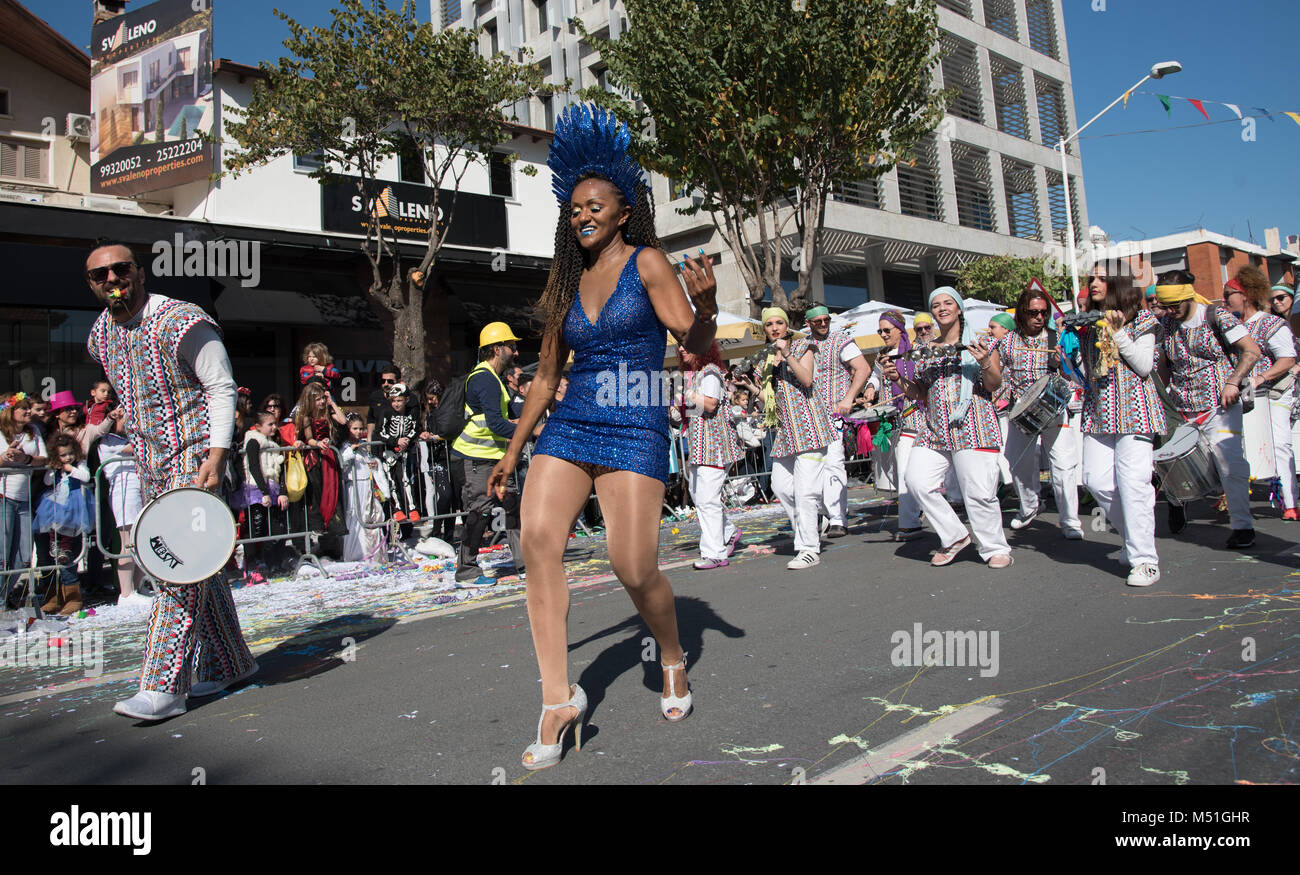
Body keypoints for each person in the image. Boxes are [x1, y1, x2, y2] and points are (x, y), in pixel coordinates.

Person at [487, 104, 717, 770]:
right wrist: (512, 448)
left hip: (635, 418)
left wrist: (704, 303)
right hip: (572, 419)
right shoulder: (564, 279)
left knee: (632, 565)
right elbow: (546, 373)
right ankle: (557, 698)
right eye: (575, 207)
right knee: (536, 538)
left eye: (596, 205)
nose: (583, 215)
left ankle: (672, 657)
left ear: (622, 212)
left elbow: (693, 342)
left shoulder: (647, 263)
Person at [85, 240, 257, 721]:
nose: (112, 280)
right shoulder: (102, 334)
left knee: (176, 568)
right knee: (200, 566)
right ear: (92, 284)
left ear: (139, 272)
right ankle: (232, 662)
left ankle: (163, 685)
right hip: (149, 464)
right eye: (101, 275)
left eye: (121, 269)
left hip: (195, 460)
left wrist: (218, 454)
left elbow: (220, 384)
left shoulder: (180, 320)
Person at [882, 287, 1013, 568]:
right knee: (917, 480)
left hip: (973, 423)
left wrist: (984, 362)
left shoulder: (981, 343)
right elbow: (920, 394)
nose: (942, 308)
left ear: (959, 308)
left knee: (978, 493)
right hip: (935, 428)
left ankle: (994, 547)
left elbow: (993, 384)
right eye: (936, 304)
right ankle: (954, 536)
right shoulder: (924, 351)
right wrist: (898, 379)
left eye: (948, 303)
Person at [1153, 270, 1261, 548]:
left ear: (1187, 297)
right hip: (1182, 406)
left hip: (1219, 406)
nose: (1168, 311)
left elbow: (1251, 351)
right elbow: (1165, 364)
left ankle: (1242, 526)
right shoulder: (1166, 324)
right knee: (1173, 462)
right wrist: (1159, 396)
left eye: (1173, 305)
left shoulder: (1217, 316)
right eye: (1164, 306)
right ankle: (1177, 503)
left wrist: (1233, 382)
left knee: (1229, 464)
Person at [1076, 265, 1166, 586]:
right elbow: (1084, 371)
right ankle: (1134, 540)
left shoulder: (1143, 320)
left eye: (1101, 279)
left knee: (1133, 485)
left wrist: (1118, 332)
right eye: (1092, 279)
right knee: (1095, 480)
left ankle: (1145, 560)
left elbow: (1143, 366)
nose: (1094, 284)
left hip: (1134, 410)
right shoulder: (1089, 323)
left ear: (1118, 283)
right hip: (1100, 411)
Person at [996, 288, 1083, 539]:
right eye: (1033, 312)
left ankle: (1070, 521)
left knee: (1064, 465)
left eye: (1044, 313)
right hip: (1021, 412)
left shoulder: (1058, 338)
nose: (1039, 317)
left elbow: (1071, 376)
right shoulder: (1007, 341)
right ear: (1022, 312)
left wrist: (1065, 361)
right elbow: (998, 374)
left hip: (1054, 409)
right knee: (1016, 461)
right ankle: (1030, 506)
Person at [756, 307, 833, 570]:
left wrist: (787, 354)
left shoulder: (803, 346)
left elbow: (807, 379)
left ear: (787, 326)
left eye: (779, 323)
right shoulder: (764, 358)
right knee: (781, 487)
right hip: (786, 433)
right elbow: (767, 401)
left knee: (805, 492)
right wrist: (751, 386)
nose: (775, 327)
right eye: (769, 324)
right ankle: (818, 519)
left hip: (810, 428)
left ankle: (809, 548)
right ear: (764, 329)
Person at [450, 322, 523, 583]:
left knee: (512, 507)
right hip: (475, 457)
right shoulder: (484, 379)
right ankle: (466, 571)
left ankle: (524, 564)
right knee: (480, 511)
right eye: (511, 346)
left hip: (496, 457)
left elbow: (510, 418)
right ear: (496, 348)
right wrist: (530, 431)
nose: (515, 352)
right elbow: (496, 424)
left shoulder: (496, 380)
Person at [1225, 268, 1297, 519]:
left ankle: (1290, 501)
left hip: (1275, 393)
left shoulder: (1271, 323)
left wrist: (1260, 378)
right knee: (1235, 446)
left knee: (1279, 444)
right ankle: (1233, 496)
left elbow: (1287, 359)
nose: (1225, 300)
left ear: (1245, 295)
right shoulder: (1231, 325)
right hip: (1244, 395)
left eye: (1229, 294)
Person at [804, 305, 870, 538]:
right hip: (810, 415)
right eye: (818, 321)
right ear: (808, 322)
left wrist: (849, 398)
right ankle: (820, 514)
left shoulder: (841, 340)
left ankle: (837, 518)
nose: (823, 324)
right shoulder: (803, 343)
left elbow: (863, 368)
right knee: (812, 469)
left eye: (826, 320)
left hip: (834, 415)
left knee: (833, 463)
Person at [680, 341, 743, 569]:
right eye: (679, 346)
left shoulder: (710, 372)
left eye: (686, 345)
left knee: (707, 499)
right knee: (699, 496)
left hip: (714, 446)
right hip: (700, 447)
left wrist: (686, 395)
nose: (681, 349)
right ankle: (728, 531)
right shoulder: (695, 375)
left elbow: (711, 404)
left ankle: (715, 552)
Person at [864, 311, 925, 540]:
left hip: (914, 419)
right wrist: (871, 388)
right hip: (892, 421)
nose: (882, 334)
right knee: (899, 472)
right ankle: (916, 511)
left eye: (886, 330)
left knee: (906, 470)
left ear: (900, 329)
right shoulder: (882, 355)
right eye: (879, 330)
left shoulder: (914, 353)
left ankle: (909, 522)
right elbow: (875, 377)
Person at [93, 408, 151, 607]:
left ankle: (138, 585)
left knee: (142, 541)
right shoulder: (107, 442)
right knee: (128, 541)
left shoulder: (134, 439)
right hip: (124, 492)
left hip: (140, 489)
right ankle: (125, 593)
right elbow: (137, 449)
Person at [32, 433, 95, 616]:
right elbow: (47, 481)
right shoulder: (57, 469)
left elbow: (85, 476)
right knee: (50, 543)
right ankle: (52, 596)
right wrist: (53, 470)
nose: (67, 458)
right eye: (63, 455)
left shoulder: (78, 464)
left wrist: (70, 468)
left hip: (74, 504)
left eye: (69, 454)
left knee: (68, 551)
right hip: (56, 503)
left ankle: (72, 596)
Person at [1, 393, 46, 607]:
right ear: (11, 411)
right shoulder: (1, 433)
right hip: (4, 496)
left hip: (24, 497)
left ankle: (4, 594)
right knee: (3, 553)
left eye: (29, 408)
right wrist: (5, 458)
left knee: (24, 554)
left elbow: (43, 459)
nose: (28, 411)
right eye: (23, 408)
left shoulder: (33, 431)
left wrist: (25, 459)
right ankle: (1, 600)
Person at [341, 414, 386, 562]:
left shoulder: (363, 446)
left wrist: (375, 463)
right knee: (355, 517)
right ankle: (354, 552)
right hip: (354, 486)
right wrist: (351, 452)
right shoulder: (345, 445)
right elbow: (342, 463)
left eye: (361, 429)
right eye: (355, 428)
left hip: (367, 485)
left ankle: (372, 551)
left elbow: (369, 460)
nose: (358, 432)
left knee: (371, 517)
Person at [377, 382, 420, 522]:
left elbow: (416, 428)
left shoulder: (411, 413)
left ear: (406, 400)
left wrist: (407, 439)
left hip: (405, 452)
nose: (396, 404)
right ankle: (397, 508)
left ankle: (412, 508)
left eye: (399, 400)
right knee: (392, 481)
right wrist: (395, 441)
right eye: (394, 400)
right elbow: (379, 432)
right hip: (389, 452)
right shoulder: (386, 413)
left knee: (407, 479)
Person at [367, 366, 401, 440]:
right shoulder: (375, 397)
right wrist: (369, 440)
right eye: (383, 381)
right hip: (378, 442)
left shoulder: (405, 398)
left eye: (390, 381)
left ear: (398, 381)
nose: (386, 384)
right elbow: (371, 420)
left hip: (398, 442)